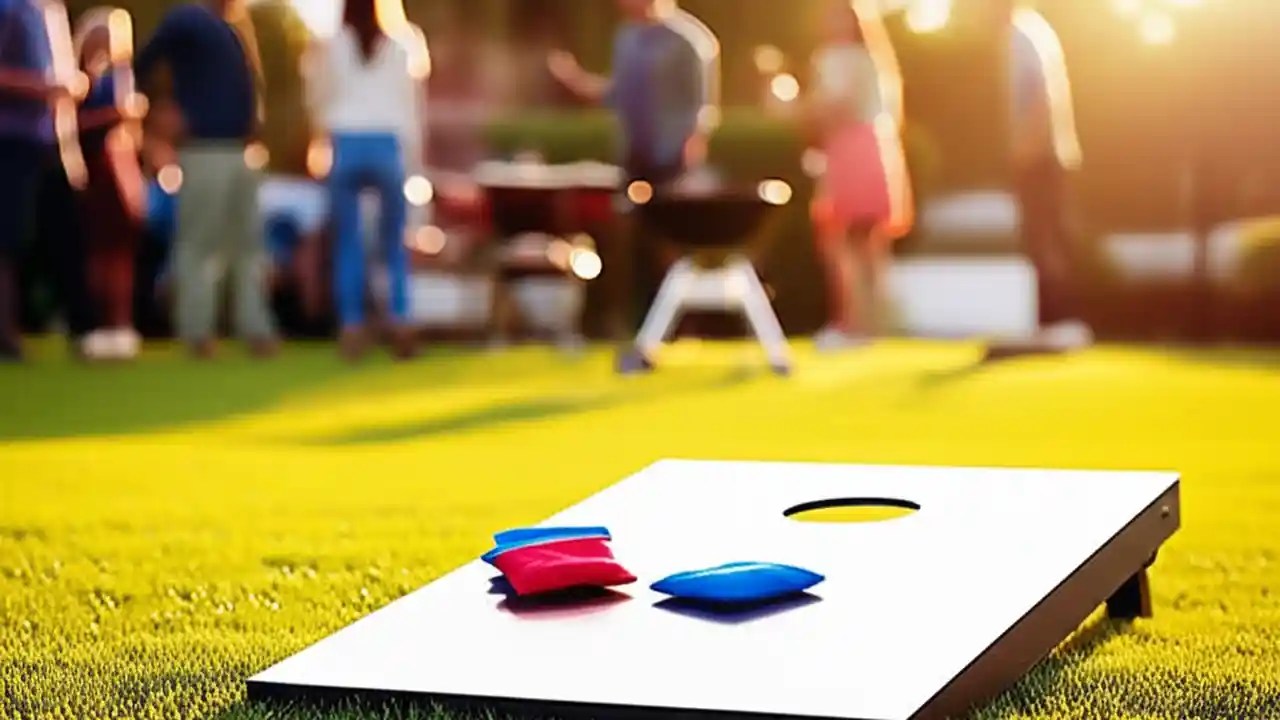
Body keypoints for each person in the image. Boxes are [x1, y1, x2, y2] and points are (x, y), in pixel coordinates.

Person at [546, 0, 705, 338]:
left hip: (671, 158)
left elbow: (699, 108)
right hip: (634, 156)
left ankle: (679, 326)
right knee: (627, 241)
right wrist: (576, 82)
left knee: (669, 244)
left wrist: (689, 154)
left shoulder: (688, 41)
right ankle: (626, 323)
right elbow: (617, 95)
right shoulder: (628, 38)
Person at [136, 0, 278, 359]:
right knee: (199, 244)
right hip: (205, 148)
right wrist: (156, 107)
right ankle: (196, 331)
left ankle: (256, 328)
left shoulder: (229, 29)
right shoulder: (189, 18)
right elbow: (145, 62)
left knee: (247, 247)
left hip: (241, 151)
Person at [303, 0, 427, 361]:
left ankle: (352, 324)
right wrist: (415, 163)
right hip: (388, 144)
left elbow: (318, 99)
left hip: (346, 142)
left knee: (348, 243)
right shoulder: (404, 43)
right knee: (393, 244)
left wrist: (318, 141)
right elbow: (413, 106)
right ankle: (401, 319)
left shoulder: (330, 45)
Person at [807, 0, 912, 351]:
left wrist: (792, 105)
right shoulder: (871, 60)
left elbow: (839, 106)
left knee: (852, 244)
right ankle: (867, 324)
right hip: (865, 152)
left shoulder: (839, 59)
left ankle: (856, 325)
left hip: (855, 153)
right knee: (858, 245)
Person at [991, 1, 1092, 358]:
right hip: (1041, 153)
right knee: (1039, 240)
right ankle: (1049, 322)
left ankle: (1058, 321)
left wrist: (1025, 147)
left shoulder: (1023, 36)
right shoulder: (1022, 34)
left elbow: (1039, 98)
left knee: (1045, 239)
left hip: (1041, 155)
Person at [72, 7, 147, 361]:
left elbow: (130, 133)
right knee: (99, 254)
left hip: (118, 172)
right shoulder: (80, 80)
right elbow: (75, 126)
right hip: (93, 171)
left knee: (120, 255)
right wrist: (115, 114)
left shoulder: (120, 75)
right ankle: (99, 325)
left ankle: (120, 325)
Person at [0, 0, 63, 361]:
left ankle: (10, 330)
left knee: (16, 239)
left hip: (29, 144)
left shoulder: (36, 10)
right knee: (5, 241)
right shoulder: (9, 10)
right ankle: (5, 335)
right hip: (7, 141)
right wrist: (46, 87)